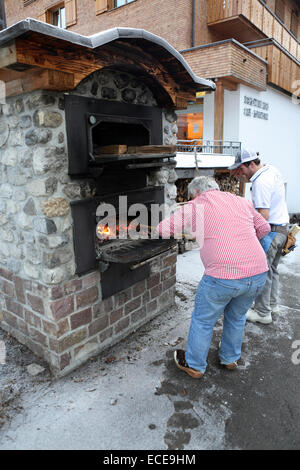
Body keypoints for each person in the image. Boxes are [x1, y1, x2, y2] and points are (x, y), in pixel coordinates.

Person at [157, 176, 270, 379]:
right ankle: (230, 358)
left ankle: (195, 365)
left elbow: (164, 230)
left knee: (203, 320)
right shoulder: (241, 201)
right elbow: (264, 228)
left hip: (222, 277)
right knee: (236, 317)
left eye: (192, 195)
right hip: (258, 273)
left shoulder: (196, 205)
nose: (192, 198)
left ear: (198, 192)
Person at [228, 147, 289, 324]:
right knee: (272, 270)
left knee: (263, 272)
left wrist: (248, 235)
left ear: (252, 164)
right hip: (282, 229)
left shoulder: (260, 182)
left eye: (242, 169)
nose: (241, 173)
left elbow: (263, 216)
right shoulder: (272, 170)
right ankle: (272, 304)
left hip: (270, 231)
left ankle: (263, 313)